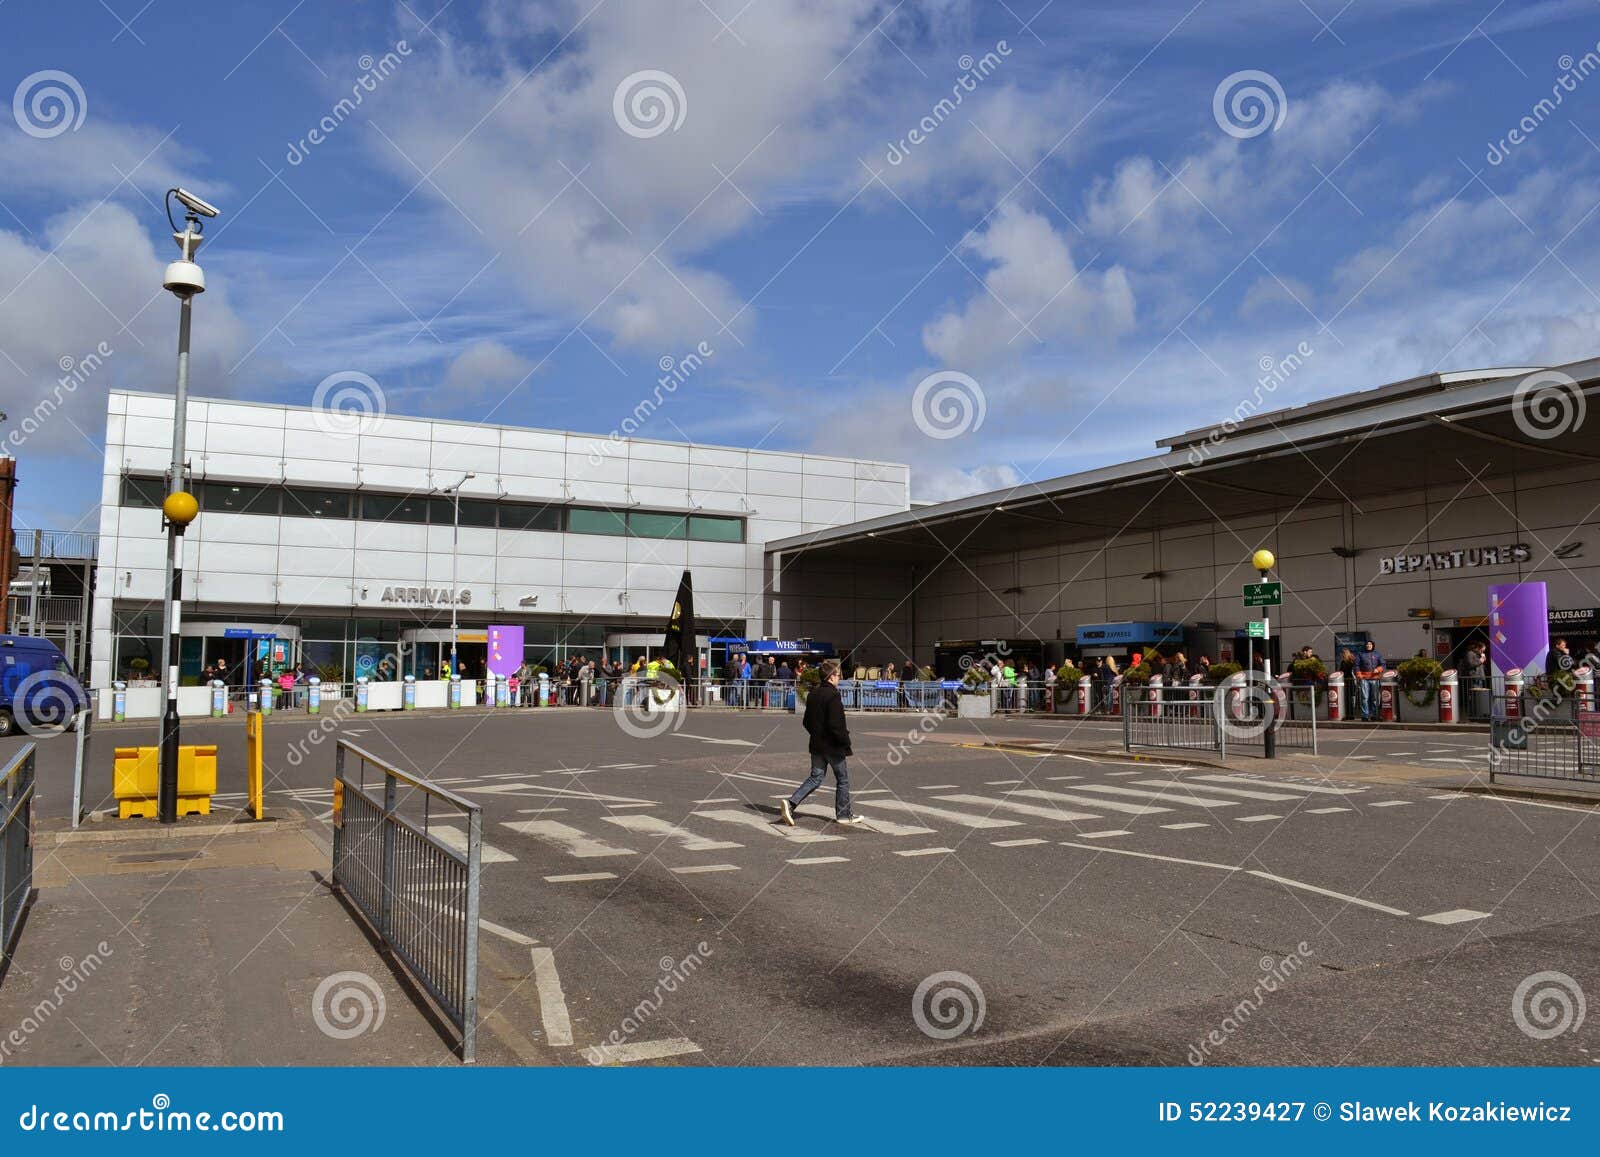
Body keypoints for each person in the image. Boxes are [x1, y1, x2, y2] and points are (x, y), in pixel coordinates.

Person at [780, 660, 860, 826]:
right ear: (831, 677)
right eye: (838, 675)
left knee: (815, 778)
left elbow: (806, 722)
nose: (839, 678)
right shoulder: (833, 695)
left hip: (817, 745)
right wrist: (845, 741)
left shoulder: (813, 694)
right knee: (842, 780)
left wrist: (817, 734)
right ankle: (844, 815)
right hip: (833, 746)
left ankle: (791, 803)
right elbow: (836, 725)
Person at [1355, 639, 1385, 721]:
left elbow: (1383, 664)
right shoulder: (1360, 654)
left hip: (1375, 679)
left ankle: (1374, 715)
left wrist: (1378, 669)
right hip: (1364, 679)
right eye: (1367, 644)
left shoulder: (1377, 654)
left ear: (1373, 645)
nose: (1368, 646)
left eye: (1370, 644)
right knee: (1364, 698)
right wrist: (1359, 675)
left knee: (1375, 698)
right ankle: (1365, 715)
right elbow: (1356, 665)